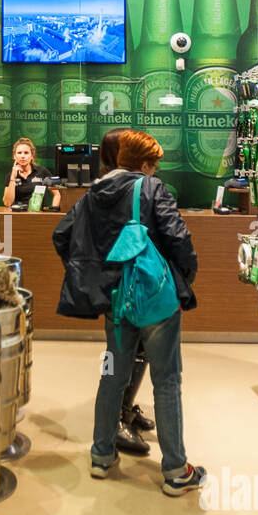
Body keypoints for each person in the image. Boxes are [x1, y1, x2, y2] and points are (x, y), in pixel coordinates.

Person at [53, 130, 204, 496]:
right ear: (145, 164)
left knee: (111, 375)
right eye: (153, 164)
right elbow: (179, 240)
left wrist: (94, 273)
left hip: (115, 307)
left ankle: (101, 456)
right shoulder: (152, 189)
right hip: (156, 304)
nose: (155, 170)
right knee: (167, 381)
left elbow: (62, 235)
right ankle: (175, 471)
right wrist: (182, 278)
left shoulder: (93, 193)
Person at [98, 128, 152, 457]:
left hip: (137, 284)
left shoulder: (134, 186)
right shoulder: (110, 189)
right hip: (120, 286)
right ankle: (114, 421)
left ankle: (126, 409)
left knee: (140, 350)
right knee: (116, 356)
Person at [2, 137, 61, 209]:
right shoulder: (11, 175)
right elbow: (7, 203)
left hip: (39, 216)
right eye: (19, 153)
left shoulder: (43, 171)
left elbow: (57, 194)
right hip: (18, 215)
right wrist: (13, 178)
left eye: (26, 153)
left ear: (32, 156)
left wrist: (53, 212)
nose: (22, 156)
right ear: (14, 156)